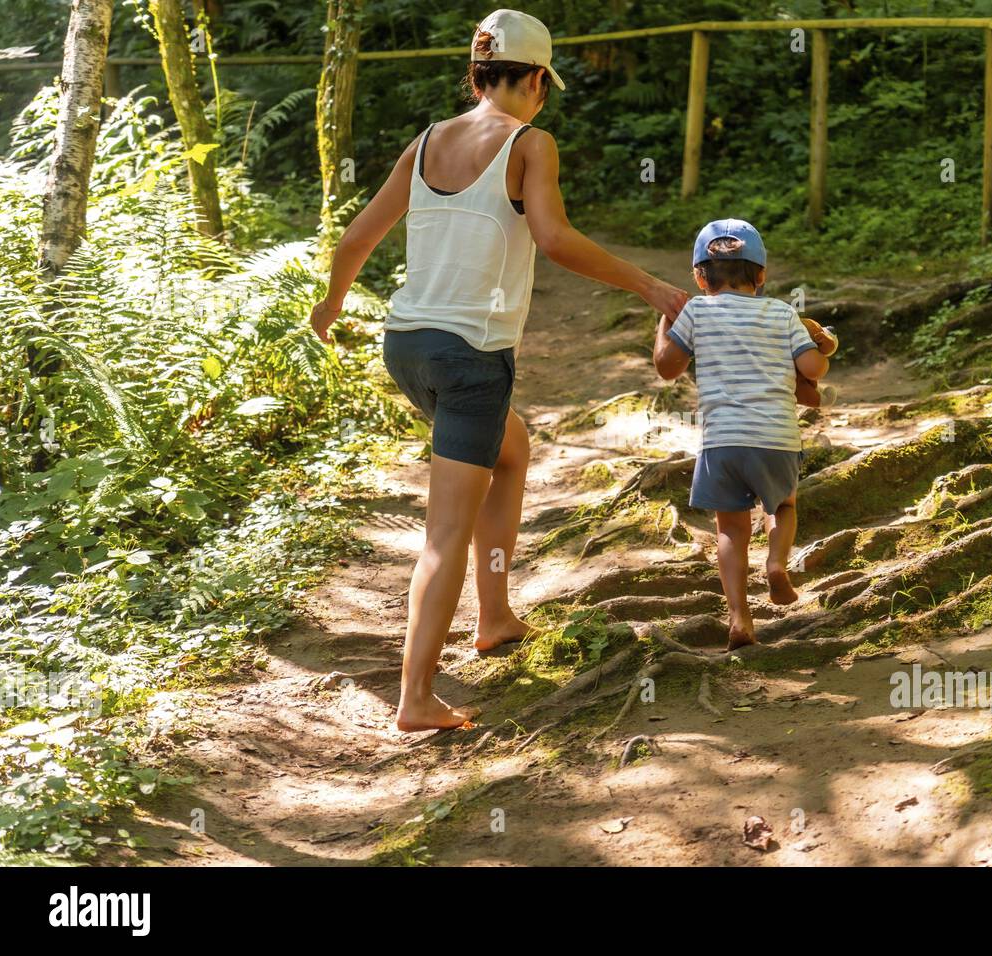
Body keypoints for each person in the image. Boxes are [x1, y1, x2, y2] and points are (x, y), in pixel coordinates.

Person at [310, 9, 689, 730]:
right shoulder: (531, 143)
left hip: (408, 346)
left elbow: (357, 237)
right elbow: (553, 237)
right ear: (538, 79)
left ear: (477, 72)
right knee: (444, 531)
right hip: (470, 358)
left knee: (510, 450)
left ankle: (495, 617)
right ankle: (416, 696)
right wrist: (650, 285)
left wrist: (327, 309)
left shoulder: (427, 142)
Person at [652, 219, 829, 651]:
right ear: (762, 274)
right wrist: (821, 345)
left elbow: (667, 367)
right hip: (776, 438)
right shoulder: (784, 314)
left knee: (730, 530)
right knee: (783, 506)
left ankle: (740, 619)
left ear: (699, 276)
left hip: (721, 441)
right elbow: (811, 371)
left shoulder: (695, 310)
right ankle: (776, 564)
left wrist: (664, 320)